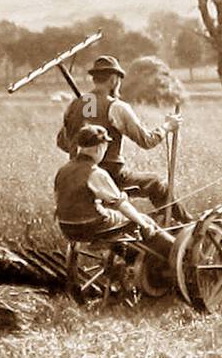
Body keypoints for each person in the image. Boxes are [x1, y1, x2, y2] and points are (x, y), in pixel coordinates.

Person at [55, 56, 181, 215]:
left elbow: (62, 143)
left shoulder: (75, 104)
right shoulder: (117, 107)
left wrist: (85, 150)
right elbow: (147, 141)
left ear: (95, 79)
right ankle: (186, 226)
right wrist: (167, 127)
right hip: (112, 177)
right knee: (156, 183)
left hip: (77, 177)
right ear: (114, 80)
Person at [54, 125, 175, 257]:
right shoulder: (95, 172)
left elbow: (64, 198)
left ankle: (131, 256)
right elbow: (121, 204)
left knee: (113, 217)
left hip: (66, 227)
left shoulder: (63, 170)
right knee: (143, 220)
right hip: (91, 227)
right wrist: (144, 225)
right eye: (105, 147)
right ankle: (173, 251)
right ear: (99, 147)